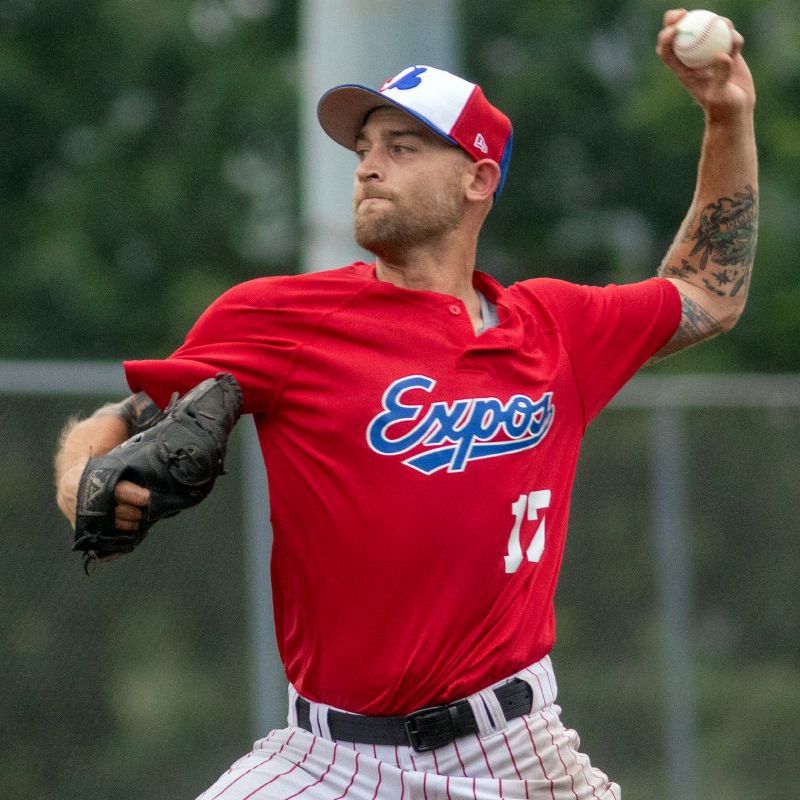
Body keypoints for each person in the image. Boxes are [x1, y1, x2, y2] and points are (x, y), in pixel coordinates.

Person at [54, 9, 757, 799]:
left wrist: (727, 116)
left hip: (522, 755)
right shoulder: (280, 318)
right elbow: (116, 422)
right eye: (363, 148)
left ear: (479, 179)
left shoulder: (557, 327)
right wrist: (84, 476)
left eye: (402, 146)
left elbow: (707, 293)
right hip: (329, 762)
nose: (367, 166)